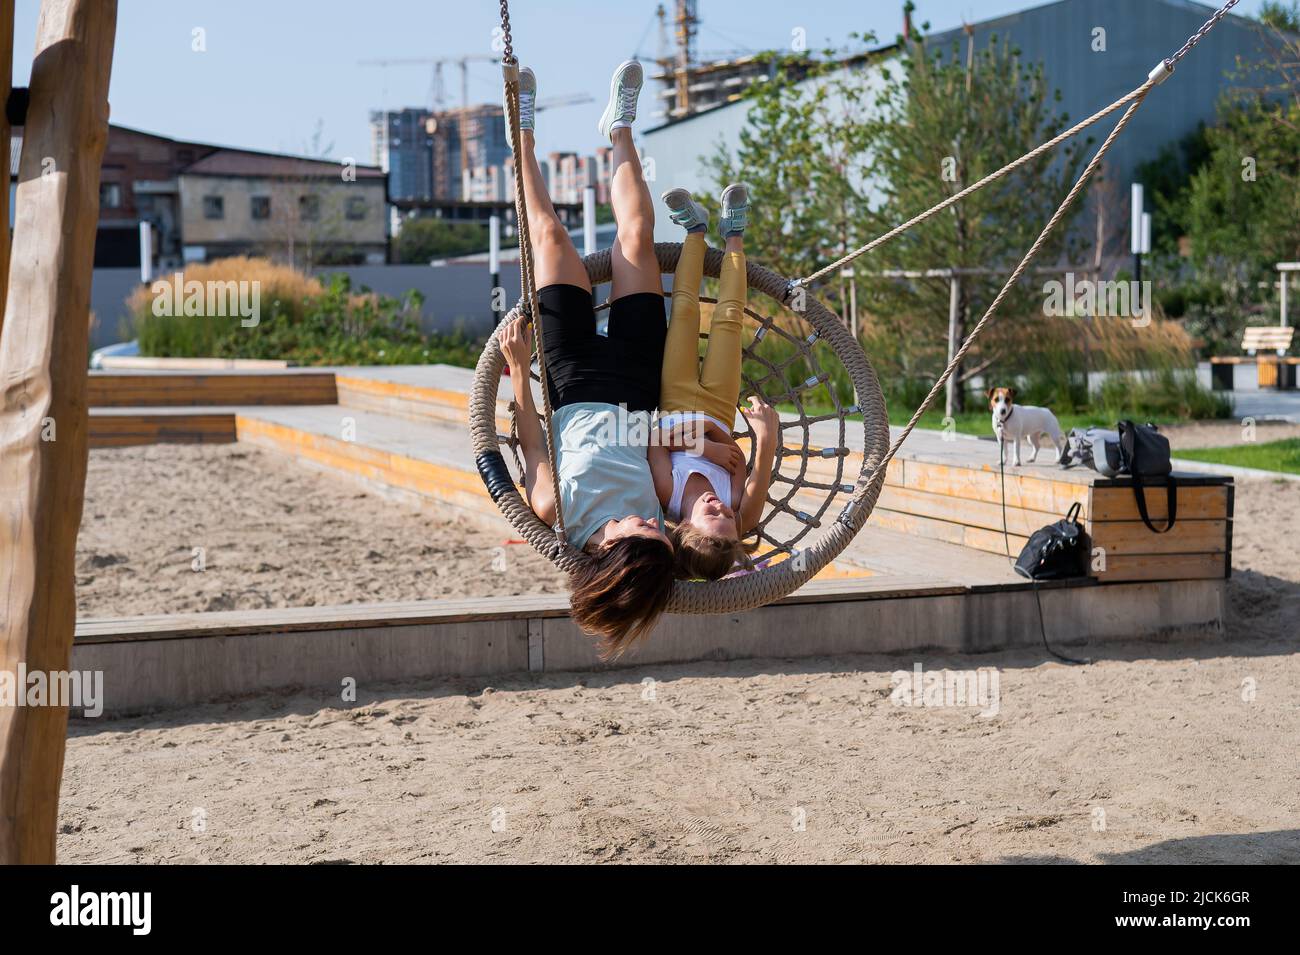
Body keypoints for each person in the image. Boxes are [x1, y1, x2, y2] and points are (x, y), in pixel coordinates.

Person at [498, 60, 674, 657]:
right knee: (638, 238)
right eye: (658, 531)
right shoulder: (659, 521)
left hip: (571, 378)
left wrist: (522, 372)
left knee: (549, 237)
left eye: (643, 530)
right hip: (639, 374)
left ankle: (521, 131)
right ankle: (620, 128)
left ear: (608, 548)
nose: (652, 523)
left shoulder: (559, 511)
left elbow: (532, 441)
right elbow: (665, 448)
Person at [648, 185, 779, 580]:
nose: (719, 507)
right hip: (721, 403)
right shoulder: (734, 498)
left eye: (711, 514)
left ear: (686, 527)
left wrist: (705, 440)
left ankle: (695, 231)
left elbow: (653, 440)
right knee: (729, 320)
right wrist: (718, 438)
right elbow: (742, 461)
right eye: (727, 516)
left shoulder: (666, 494)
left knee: (684, 312)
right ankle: (734, 233)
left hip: (675, 398)